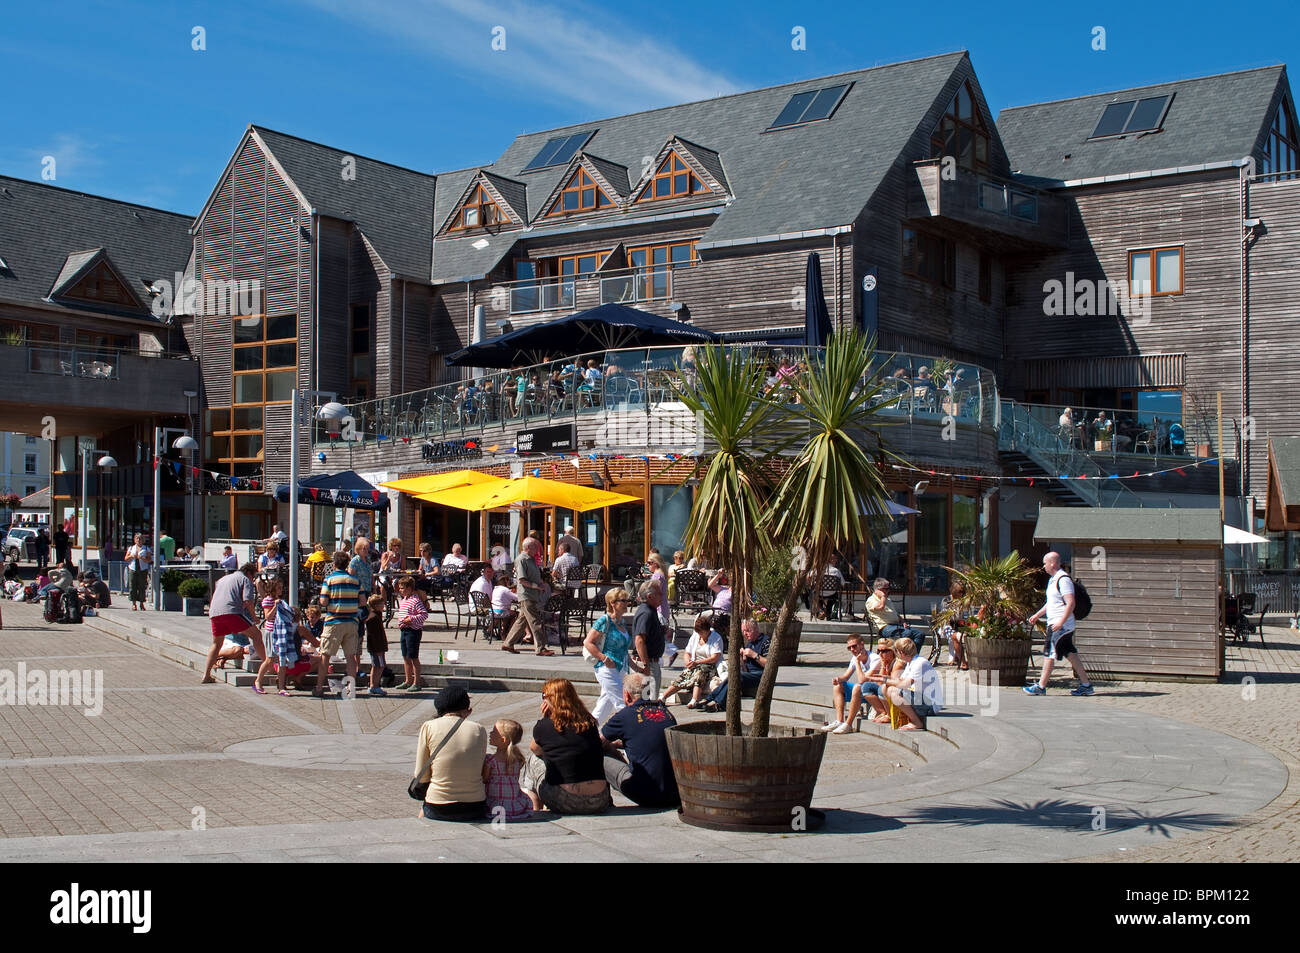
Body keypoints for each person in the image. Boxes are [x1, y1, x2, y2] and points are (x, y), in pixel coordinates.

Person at [522, 678, 612, 815]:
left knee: (533, 759)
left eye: (543, 696)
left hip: (566, 801)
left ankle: (535, 806)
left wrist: (545, 718)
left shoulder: (544, 726)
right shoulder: (590, 723)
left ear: (550, 699)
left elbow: (535, 749)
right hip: (600, 800)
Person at [600, 672, 680, 809]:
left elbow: (596, 742)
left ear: (626, 694)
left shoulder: (624, 716)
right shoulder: (666, 712)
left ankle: (603, 801)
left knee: (597, 753)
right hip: (674, 793)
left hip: (646, 793)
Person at [413, 687, 489, 820]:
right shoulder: (479, 729)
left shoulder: (429, 726)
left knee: (423, 813)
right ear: (467, 710)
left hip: (439, 805)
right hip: (475, 805)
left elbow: (421, 774)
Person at [1024, 551, 1094, 696]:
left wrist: (1060, 622)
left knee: (1049, 653)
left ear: (1053, 563)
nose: (1043, 566)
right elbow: (1051, 603)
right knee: (1071, 654)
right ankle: (1086, 685)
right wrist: (1037, 615)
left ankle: (1041, 687)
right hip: (1058, 623)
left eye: (1045, 563)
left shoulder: (1063, 580)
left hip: (1060, 625)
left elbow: (1071, 603)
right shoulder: (1053, 580)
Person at [585, 588, 643, 723]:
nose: (627, 604)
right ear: (612, 603)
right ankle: (632, 733)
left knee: (604, 705)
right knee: (622, 703)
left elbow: (623, 650)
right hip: (607, 668)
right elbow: (588, 642)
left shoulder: (621, 621)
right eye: (623, 601)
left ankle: (588, 731)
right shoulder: (604, 621)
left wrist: (636, 668)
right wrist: (603, 657)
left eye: (627, 601)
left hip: (621, 668)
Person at [203, 562, 266, 683]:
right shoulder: (245, 579)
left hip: (214, 612)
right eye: (253, 577)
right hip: (231, 611)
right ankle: (266, 665)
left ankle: (206, 675)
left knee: (216, 643)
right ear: (249, 573)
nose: (252, 580)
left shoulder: (223, 579)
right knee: (257, 635)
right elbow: (248, 601)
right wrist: (254, 618)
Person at [315, 549, 361, 698]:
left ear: (334, 564)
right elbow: (363, 601)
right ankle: (350, 688)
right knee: (350, 657)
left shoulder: (329, 580)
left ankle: (319, 687)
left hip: (334, 621)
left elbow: (323, 601)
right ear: (347, 564)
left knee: (325, 655)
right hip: (351, 622)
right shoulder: (355, 581)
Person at [702, 618, 769, 712]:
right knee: (732, 675)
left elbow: (769, 664)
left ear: (756, 629)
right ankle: (710, 698)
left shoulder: (766, 641)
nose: (745, 634)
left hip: (761, 674)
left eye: (748, 631)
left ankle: (719, 703)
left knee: (737, 676)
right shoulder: (749, 643)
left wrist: (754, 655)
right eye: (744, 631)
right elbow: (745, 668)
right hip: (748, 674)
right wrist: (741, 658)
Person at [880, 637, 943, 730]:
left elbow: (905, 684)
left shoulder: (920, 663)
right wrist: (885, 679)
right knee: (888, 689)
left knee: (894, 692)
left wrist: (885, 681)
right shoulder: (911, 663)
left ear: (901, 652)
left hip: (931, 705)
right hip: (923, 700)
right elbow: (900, 680)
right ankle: (903, 719)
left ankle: (916, 722)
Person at [503, 538, 553, 656]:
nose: (536, 549)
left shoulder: (531, 559)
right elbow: (522, 580)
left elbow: (534, 575)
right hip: (526, 595)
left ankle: (508, 643)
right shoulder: (521, 559)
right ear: (527, 548)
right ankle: (540, 648)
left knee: (522, 621)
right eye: (534, 546)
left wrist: (541, 583)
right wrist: (537, 586)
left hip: (533, 595)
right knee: (535, 621)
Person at [660, 615, 722, 709]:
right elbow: (687, 652)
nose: (700, 634)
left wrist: (698, 662)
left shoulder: (716, 637)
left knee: (699, 674)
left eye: (702, 632)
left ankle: (694, 699)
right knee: (684, 676)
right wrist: (687, 661)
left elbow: (715, 657)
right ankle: (664, 696)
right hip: (695, 664)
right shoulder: (695, 636)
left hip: (709, 665)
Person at [821, 635, 876, 734]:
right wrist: (838, 679)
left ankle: (848, 724)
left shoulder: (874, 658)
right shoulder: (854, 658)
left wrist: (858, 663)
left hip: (872, 692)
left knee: (857, 687)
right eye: (849, 648)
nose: (852, 649)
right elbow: (846, 676)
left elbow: (862, 680)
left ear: (862, 644)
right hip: (862, 690)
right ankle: (839, 721)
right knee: (838, 686)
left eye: (854, 646)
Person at [483, 718, 532, 820]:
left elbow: (485, 779)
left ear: (503, 740)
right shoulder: (517, 760)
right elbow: (515, 779)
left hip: (495, 805)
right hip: (515, 805)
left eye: (494, 732)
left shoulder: (491, 760)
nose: (490, 733)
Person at [632, 577, 667, 698]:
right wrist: (646, 665)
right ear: (650, 596)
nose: (662, 596)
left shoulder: (650, 611)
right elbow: (639, 640)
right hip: (648, 664)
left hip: (651, 663)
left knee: (650, 700)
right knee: (648, 701)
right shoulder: (646, 613)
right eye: (659, 594)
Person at [865, 578, 924, 649]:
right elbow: (880, 607)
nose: (888, 591)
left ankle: (912, 656)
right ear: (878, 590)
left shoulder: (887, 599)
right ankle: (903, 655)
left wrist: (903, 622)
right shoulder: (871, 600)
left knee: (919, 634)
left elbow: (896, 614)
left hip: (896, 625)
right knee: (907, 634)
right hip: (884, 627)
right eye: (886, 589)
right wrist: (883, 596)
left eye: (889, 588)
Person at [349, 537, 375, 648]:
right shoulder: (356, 560)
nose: (365, 550)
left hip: (368, 588)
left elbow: (371, 574)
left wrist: (374, 587)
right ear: (358, 549)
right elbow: (351, 574)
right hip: (359, 590)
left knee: (367, 611)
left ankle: (363, 634)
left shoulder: (367, 560)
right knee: (361, 612)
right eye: (363, 548)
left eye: (367, 548)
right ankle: (358, 635)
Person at [364, 592, 389, 696]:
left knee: (376, 666)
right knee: (380, 666)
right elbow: (374, 636)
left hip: (377, 647)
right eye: (381, 604)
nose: (383, 606)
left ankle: (373, 685)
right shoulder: (373, 617)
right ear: (376, 605)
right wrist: (378, 649)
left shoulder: (375, 615)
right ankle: (375, 685)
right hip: (377, 647)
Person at [940, 580, 968, 669]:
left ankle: (959, 657)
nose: (962, 594)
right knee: (954, 636)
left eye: (963, 592)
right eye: (960, 592)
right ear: (954, 591)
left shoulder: (963, 601)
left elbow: (965, 615)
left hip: (959, 624)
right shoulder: (946, 600)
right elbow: (946, 616)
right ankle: (956, 658)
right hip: (947, 625)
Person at [124, 533, 152, 611]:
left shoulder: (146, 548)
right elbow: (126, 558)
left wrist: (143, 558)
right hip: (133, 568)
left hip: (142, 569)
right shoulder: (131, 548)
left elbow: (149, 559)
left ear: (143, 540)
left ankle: (142, 603)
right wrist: (131, 556)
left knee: (142, 586)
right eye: (137, 538)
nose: (139, 540)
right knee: (132, 586)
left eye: (140, 539)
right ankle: (133, 604)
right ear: (134, 540)